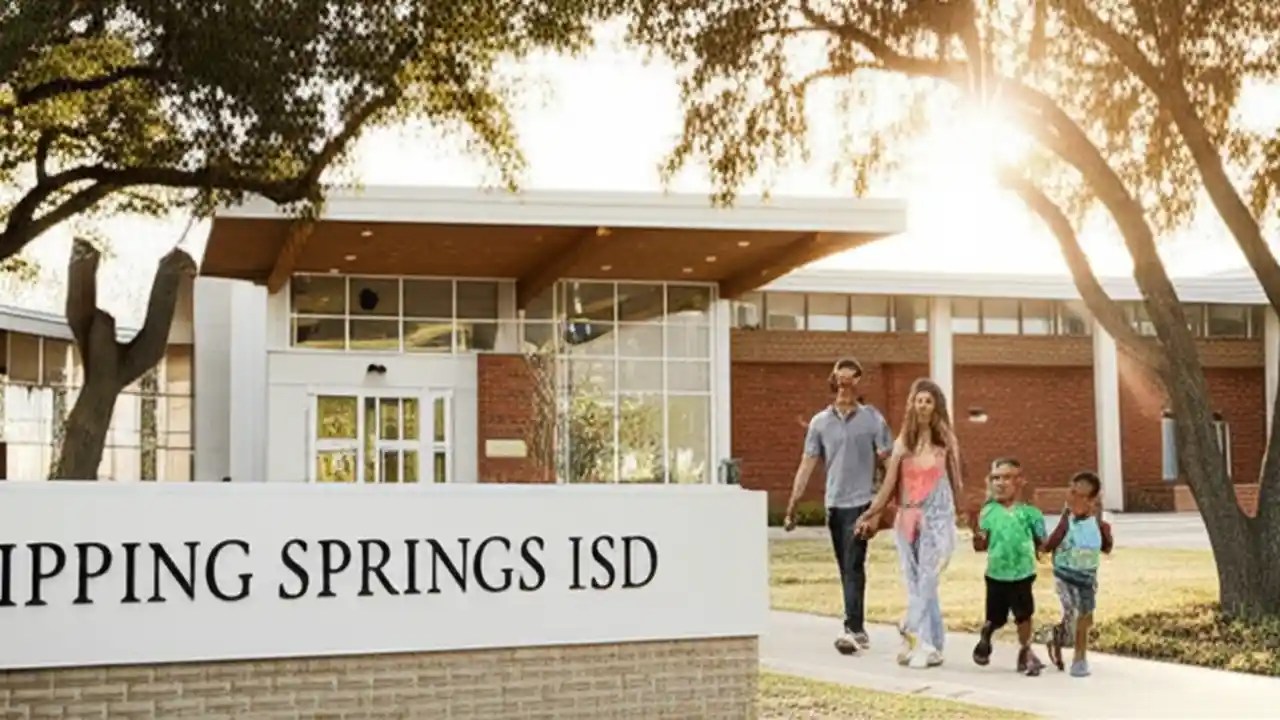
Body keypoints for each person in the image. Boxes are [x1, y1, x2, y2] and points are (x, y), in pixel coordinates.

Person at [783, 358, 892, 655]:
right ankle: (856, 626)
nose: (845, 386)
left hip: (862, 504)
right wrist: (793, 505)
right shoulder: (820, 422)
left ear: (858, 381)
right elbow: (807, 465)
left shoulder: (872, 420)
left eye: (851, 379)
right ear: (834, 381)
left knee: (854, 564)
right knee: (846, 567)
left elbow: (889, 464)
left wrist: (880, 508)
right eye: (840, 380)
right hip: (834, 504)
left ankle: (853, 629)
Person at [854, 378, 963, 669]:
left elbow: (957, 480)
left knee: (927, 579)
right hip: (907, 518)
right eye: (919, 400)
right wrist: (869, 513)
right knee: (915, 583)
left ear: (936, 405)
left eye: (928, 400)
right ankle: (931, 645)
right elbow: (889, 485)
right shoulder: (902, 443)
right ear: (912, 405)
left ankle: (910, 627)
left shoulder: (946, 441)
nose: (923, 405)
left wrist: (966, 516)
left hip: (937, 518)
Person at [970, 457, 1047, 676]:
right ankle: (987, 633)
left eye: (1007, 478)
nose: (1000, 483)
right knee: (997, 618)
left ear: (1021, 481)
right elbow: (981, 544)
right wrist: (977, 534)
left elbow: (1042, 541)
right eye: (995, 478)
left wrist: (1049, 551)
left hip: (1023, 573)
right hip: (996, 574)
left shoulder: (1031, 513)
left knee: (1024, 615)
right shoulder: (988, 512)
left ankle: (1026, 651)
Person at [1041, 470, 1114, 677]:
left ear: (1092, 501)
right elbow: (1054, 540)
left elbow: (1106, 547)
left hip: (1087, 578)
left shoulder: (1099, 523)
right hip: (1064, 576)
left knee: (1085, 618)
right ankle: (1070, 649)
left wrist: (1105, 532)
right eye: (1070, 492)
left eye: (1078, 495)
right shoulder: (1067, 519)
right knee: (1075, 615)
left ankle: (1068, 648)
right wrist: (1043, 547)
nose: (1071, 498)